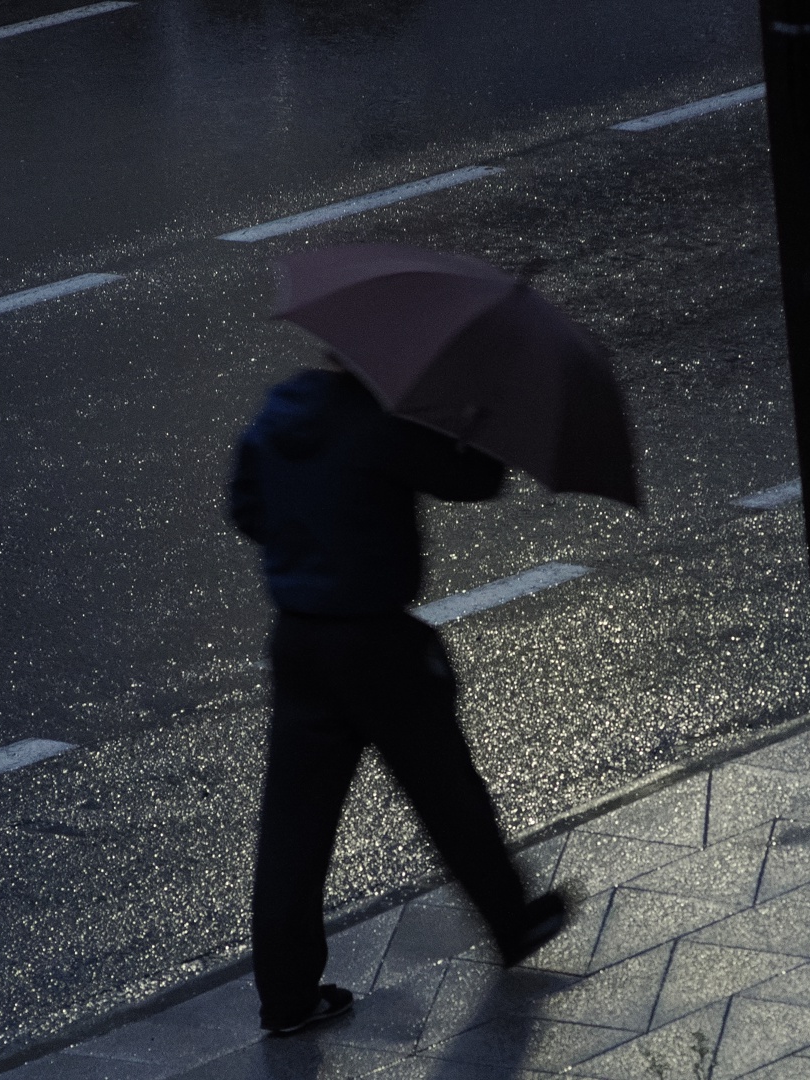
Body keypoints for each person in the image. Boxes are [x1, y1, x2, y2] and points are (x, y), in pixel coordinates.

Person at [229, 354, 565, 1036]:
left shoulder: (280, 409)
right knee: (446, 790)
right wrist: (477, 414)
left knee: (295, 825)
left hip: (298, 639)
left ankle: (287, 996)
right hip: (378, 642)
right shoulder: (381, 420)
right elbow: (475, 481)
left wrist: (306, 536)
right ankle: (512, 921)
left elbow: (247, 510)